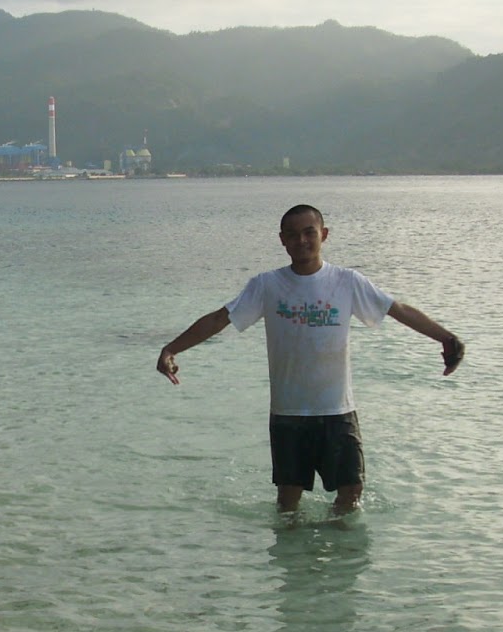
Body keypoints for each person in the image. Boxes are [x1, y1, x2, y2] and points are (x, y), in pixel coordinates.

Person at [156, 203, 464, 514]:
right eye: (292, 235)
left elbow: (397, 309)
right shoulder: (267, 285)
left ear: (324, 235)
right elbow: (219, 319)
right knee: (288, 503)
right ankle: (293, 559)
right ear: (281, 240)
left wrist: (445, 338)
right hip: (289, 412)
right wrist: (172, 349)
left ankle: (341, 558)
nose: (301, 241)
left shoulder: (347, 281)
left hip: (337, 409)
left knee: (351, 493)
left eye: (308, 233)